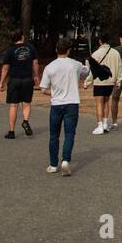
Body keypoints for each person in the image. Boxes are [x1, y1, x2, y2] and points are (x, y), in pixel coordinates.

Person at [39, 38, 89, 175]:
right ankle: (66, 160)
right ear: (69, 50)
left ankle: (53, 164)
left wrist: (53, 92)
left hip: (56, 104)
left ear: (56, 49)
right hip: (72, 103)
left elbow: (43, 88)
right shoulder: (75, 65)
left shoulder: (50, 67)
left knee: (54, 135)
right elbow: (87, 73)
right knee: (69, 133)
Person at [0, 30, 40, 139]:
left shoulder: (10, 50)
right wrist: (36, 76)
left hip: (14, 80)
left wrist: (2, 81)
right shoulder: (30, 48)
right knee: (26, 103)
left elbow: (5, 67)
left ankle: (11, 132)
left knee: (14, 105)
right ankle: (25, 121)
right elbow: (35, 63)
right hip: (27, 79)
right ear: (22, 37)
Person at [84, 33, 122, 133]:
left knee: (99, 103)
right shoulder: (115, 53)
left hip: (99, 82)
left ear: (100, 41)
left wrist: (87, 82)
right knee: (106, 102)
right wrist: (118, 80)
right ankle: (105, 123)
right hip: (110, 81)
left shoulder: (95, 54)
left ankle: (100, 125)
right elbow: (119, 68)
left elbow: (92, 71)